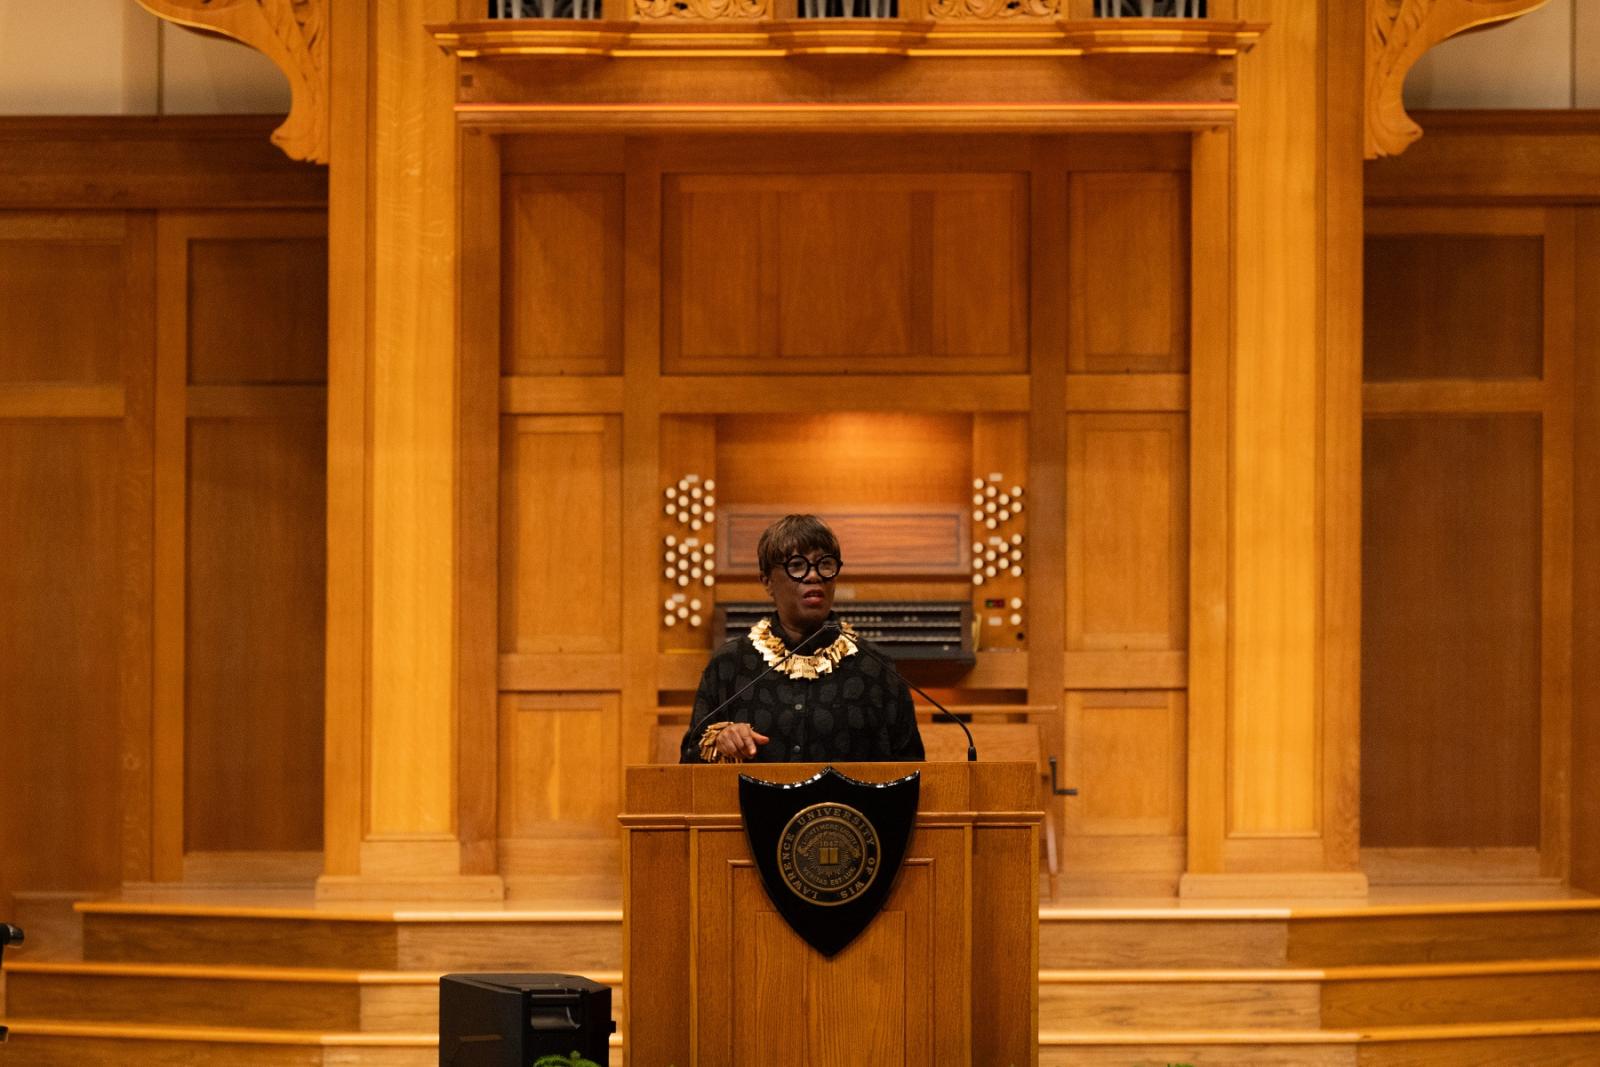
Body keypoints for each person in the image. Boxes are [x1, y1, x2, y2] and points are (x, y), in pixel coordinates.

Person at [679, 514, 925, 764]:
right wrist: (720, 741)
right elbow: (689, 767)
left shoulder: (876, 667)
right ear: (767, 581)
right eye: (797, 565)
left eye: (825, 564)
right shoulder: (729, 665)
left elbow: (911, 767)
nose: (813, 576)